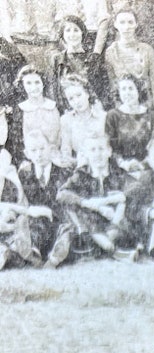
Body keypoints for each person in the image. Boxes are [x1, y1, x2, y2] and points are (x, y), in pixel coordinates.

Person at [56, 132, 133, 255]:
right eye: (92, 150)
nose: (97, 154)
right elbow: (61, 194)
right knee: (75, 207)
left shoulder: (118, 173)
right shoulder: (82, 175)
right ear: (86, 154)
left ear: (109, 151)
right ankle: (113, 250)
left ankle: (103, 245)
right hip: (91, 222)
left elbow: (136, 187)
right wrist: (87, 203)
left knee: (125, 208)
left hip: (113, 222)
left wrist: (111, 200)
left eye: (101, 149)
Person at [18, 130, 73, 264]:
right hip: (34, 224)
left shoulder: (63, 173)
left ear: (51, 149)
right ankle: (33, 255)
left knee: (68, 230)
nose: (39, 154)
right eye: (34, 150)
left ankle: (54, 259)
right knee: (23, 225)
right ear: (27, 154)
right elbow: (21, 203)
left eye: (42, 148)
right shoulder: (23, 174)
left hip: (56, 223)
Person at [104, 7, 154, 109]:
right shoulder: (111, 52)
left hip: (147, 105)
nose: (126, 27)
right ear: (115, 24)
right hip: (124, 106)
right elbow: (113, 86)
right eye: (122, 22)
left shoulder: (147, 49)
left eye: (130, 22)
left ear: (136, 24)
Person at [50, 15, 109, 107]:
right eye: (68, 30)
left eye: (76, 30)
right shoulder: (57, 60)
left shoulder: (94, 59)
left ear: (82, 33)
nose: (72, 34)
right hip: (68, 109)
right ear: (63, 34)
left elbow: (103, 89)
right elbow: (54, 91)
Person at [57, 74, 107, 169]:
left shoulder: (102, 117)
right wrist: (76, 162)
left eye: (79, 95)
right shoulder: (66, 120)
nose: (76, 101)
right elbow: (66, 152)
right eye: (71, 99)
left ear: (87, 94)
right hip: (81, 168)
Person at [105, 72, 153, 167]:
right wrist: (123, 164)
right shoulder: (113, 116)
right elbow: (109, 147)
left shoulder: (150, 115)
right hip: (122, 168)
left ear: (138, 90)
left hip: (148, 166)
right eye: (123, 89)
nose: (127, 93)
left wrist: (146, 163)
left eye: (131, 88)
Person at [15, 67, 62, 158]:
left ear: (43, 84)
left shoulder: (54, 106)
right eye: (28, 83)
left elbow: (62, 134)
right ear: (22, 85)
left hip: (56, 156)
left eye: (37, 82)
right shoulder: (20, 110)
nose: (34, 87)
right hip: (32, 159)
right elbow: (18, 142)